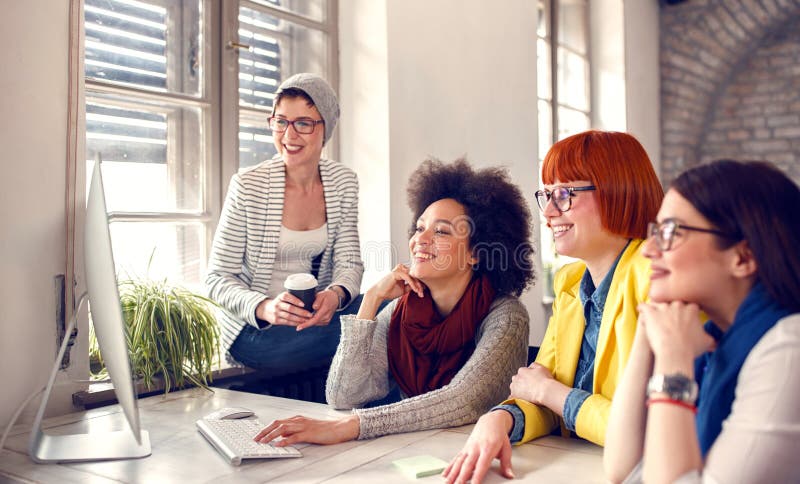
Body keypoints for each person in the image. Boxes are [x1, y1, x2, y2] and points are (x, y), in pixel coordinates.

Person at [252, 158, 535, 445]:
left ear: (476, 252)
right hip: (416, 451)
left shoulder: (507, 317)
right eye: (419, 228)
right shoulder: (402, 310)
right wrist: (371, 300)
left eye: (441, 231)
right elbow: (343, 396)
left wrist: (352, 426)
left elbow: (463, 400)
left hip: (486, 457)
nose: (420, 240)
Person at [444, 130, 664, 484]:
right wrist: (499, 419)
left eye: (564, 195)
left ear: (617, 191)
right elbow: (538, 390)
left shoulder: (658, 277)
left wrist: (551, 393)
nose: (547, 213)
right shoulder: (570, 282)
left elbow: (648, 430)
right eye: (546, 196)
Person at [604, 160, 800, 484]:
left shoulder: (787, 349)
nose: (648, 249)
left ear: (743, 257)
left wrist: (673, 359)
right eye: (655, 232)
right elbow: (623, 469)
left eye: (670, 232)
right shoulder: (713, 338)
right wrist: (647, 327)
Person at [205, 73, 363, 376]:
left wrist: (335, 295)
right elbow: (217, 278)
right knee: (379, 324)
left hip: (314, 323)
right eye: (280, 122)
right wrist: (265, 307)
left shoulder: (343, 182)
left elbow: (349, 262)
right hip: (256, 331)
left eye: (303, 123)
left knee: (391, 306)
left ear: (326, 128)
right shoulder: (248, 185)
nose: (289, 135)